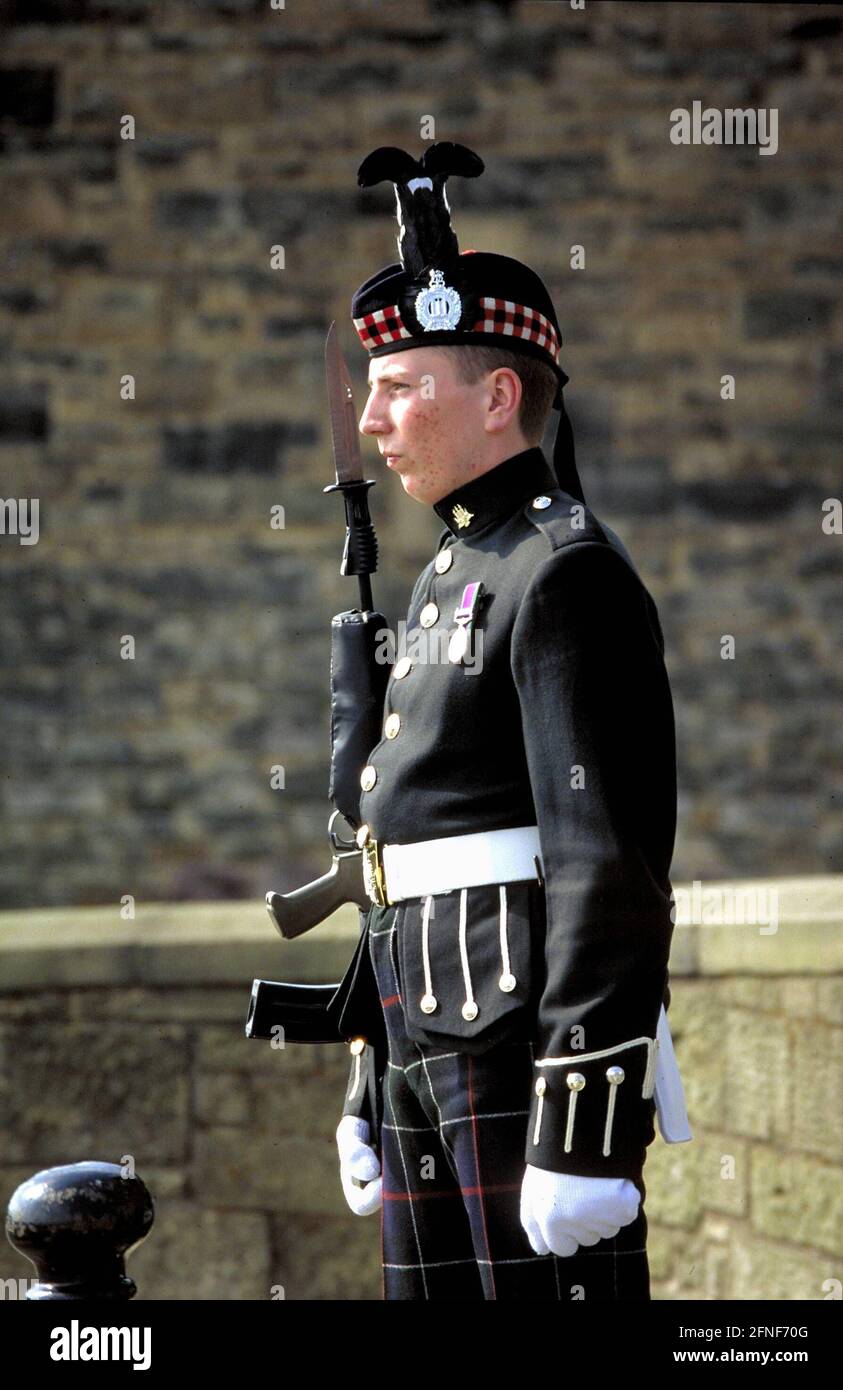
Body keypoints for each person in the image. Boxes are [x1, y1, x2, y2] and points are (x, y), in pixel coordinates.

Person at [329, 142, 691, 1301]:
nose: (372, 418)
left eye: (399, 386)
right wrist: (365, 1061)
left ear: (495, 396)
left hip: (515, 1036)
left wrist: (584, 1118)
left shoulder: (560, 569)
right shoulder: (457, 565)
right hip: (425, 1024)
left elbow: (607, 861)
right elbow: (408, 841)